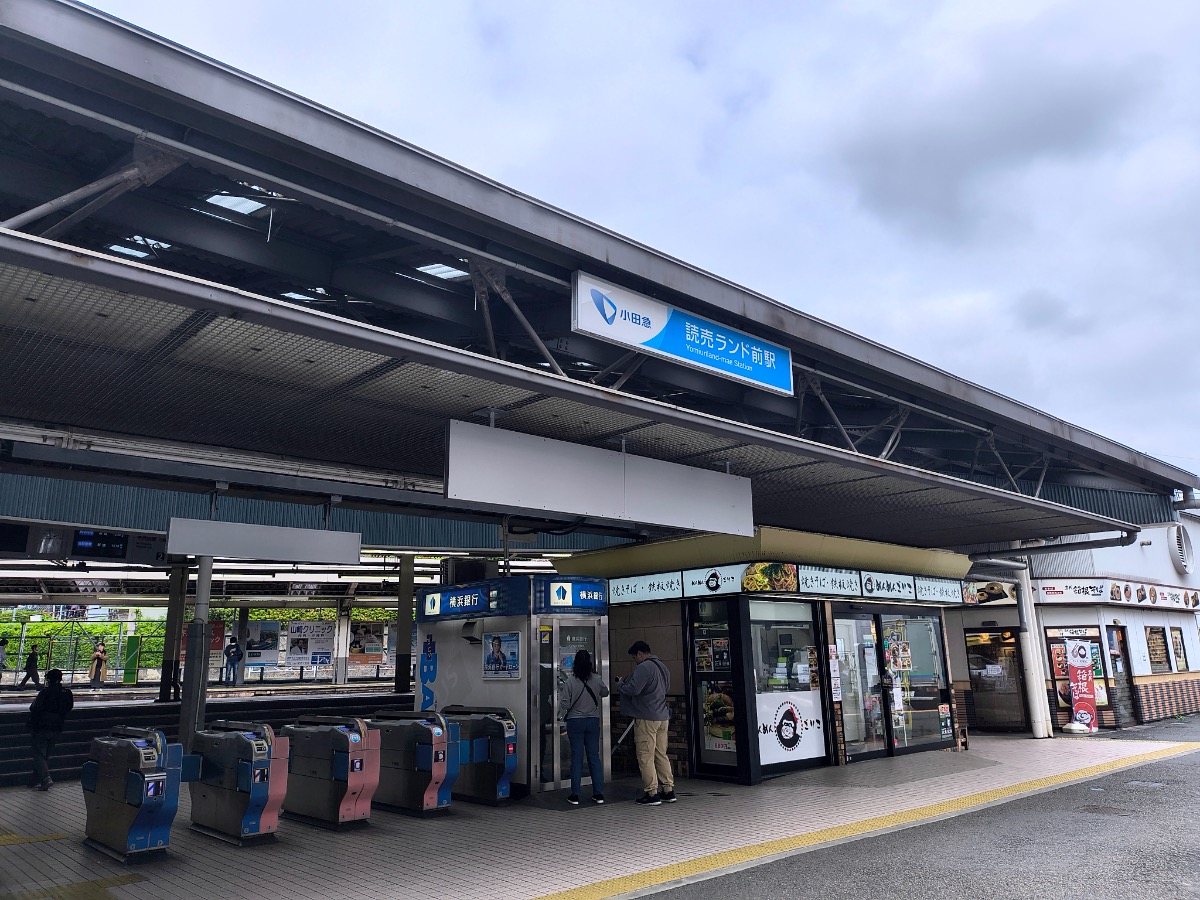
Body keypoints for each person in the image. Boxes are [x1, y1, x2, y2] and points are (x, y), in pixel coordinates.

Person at [616, 640, 675, 806]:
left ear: (640, 654)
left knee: (645, 755)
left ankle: (651, 793)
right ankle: (668, 790)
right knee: (660, 753)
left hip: (647, 717)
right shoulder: (662, 666)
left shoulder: (644, 668)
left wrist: (620, 685)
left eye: (635, 657)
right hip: (663, 716)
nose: (635, 660)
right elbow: (667, 687)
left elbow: (634, 689)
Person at [559, 649, 609, 805]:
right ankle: (598, 793)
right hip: (593, 720)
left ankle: (575, 794)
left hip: (575, 721)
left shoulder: (570, 681)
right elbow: (605, 692)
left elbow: (565, 703)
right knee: (594, 756)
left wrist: (560, 714)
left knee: (577, 757)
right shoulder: (596, 678)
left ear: (575, 663)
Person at [29, 668, 73, 790]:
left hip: (42, 726)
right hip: (57, 726)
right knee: (46, 754)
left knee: (39, 754)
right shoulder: (66, 692)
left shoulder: (45, 692)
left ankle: (45, 778)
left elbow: (35, 708)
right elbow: (69, 707)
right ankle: (35, 780)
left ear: (49, 679)